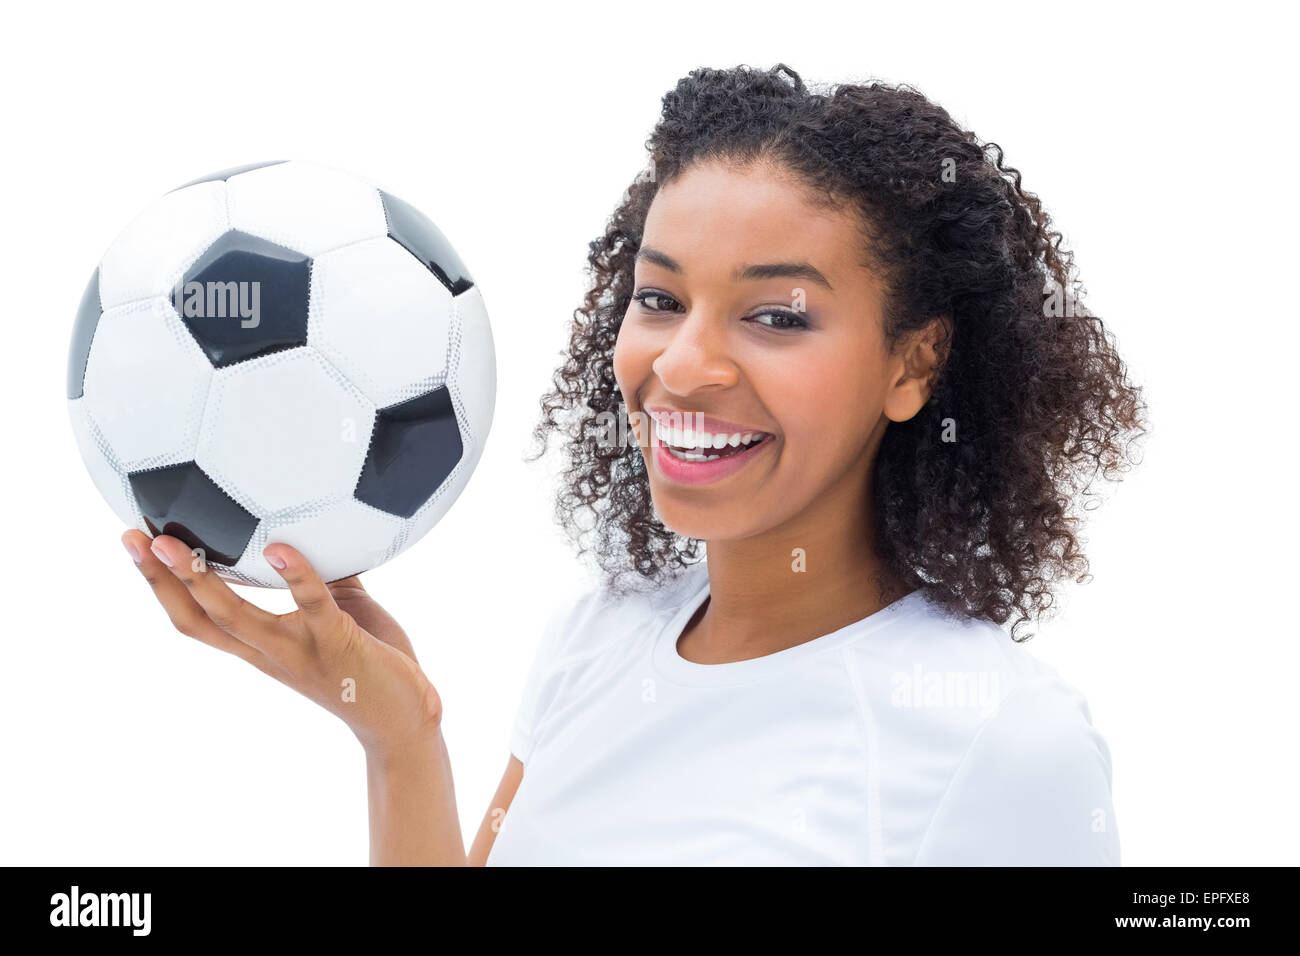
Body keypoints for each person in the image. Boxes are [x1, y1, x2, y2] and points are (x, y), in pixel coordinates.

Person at [122, 63, 1147, 865]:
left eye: (776, 315)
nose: (683, 365)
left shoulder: (1000, 738)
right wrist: (400, 739)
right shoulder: (602, 637)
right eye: (660, 299)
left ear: (913, 363)